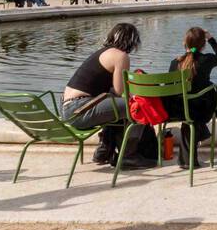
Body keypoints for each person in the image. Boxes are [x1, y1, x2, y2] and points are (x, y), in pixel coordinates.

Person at [61, 22, 155, 167]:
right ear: (132, 40)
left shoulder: (103, 52)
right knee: (139, 107)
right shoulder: (120, 56)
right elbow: (119, 91)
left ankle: (104, 151)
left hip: (70, 108)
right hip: (80, 109)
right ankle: (128, 156)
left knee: (116, 106)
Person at [161, 27, 217, 169]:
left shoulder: (175, 62)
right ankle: (188, 159)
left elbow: (169, 87)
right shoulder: (206, 60)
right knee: (206, 95)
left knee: (189, 114)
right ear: (203, 44)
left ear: (184, 42)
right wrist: (211, 39)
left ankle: (187, 160)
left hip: (176, 109)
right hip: (199, 110)